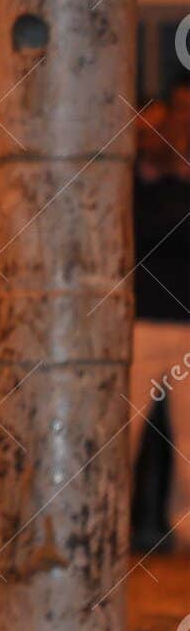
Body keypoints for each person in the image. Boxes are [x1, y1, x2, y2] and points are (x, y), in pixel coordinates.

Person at [128, 95, 190, 550]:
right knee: (120, 435)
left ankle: (186, 531)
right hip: (139, 326)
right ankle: (109, 529)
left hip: (187, 326)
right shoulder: (126, 185)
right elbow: (144, 234)